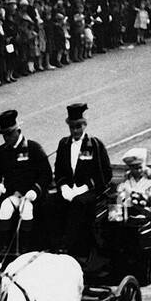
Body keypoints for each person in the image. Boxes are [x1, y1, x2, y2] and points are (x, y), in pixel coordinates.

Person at [51, 102, 112, 260]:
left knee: (78, 204)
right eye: (72, 127)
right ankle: (52, 243)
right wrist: (63, 186)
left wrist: (84, 187)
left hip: (91, 192)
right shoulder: (63, 144)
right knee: (50, 202)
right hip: (69, 189)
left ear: (84, 125)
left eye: (78, 127)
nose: (75, 131)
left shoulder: (95, 145)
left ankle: (69, 246)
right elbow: (59, 171)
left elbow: (105, 174)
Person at [0, 108, 52, 253]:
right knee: (4, 208)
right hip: (12, 194)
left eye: (9, 134)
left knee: (27, 210)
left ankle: (25, 247)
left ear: (18, 130)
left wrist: (35, 191)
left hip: (30, 195)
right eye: (4, 135)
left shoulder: (33, 148)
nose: (7, 138)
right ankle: (4, 248)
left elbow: (46, 174)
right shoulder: (1, 152)